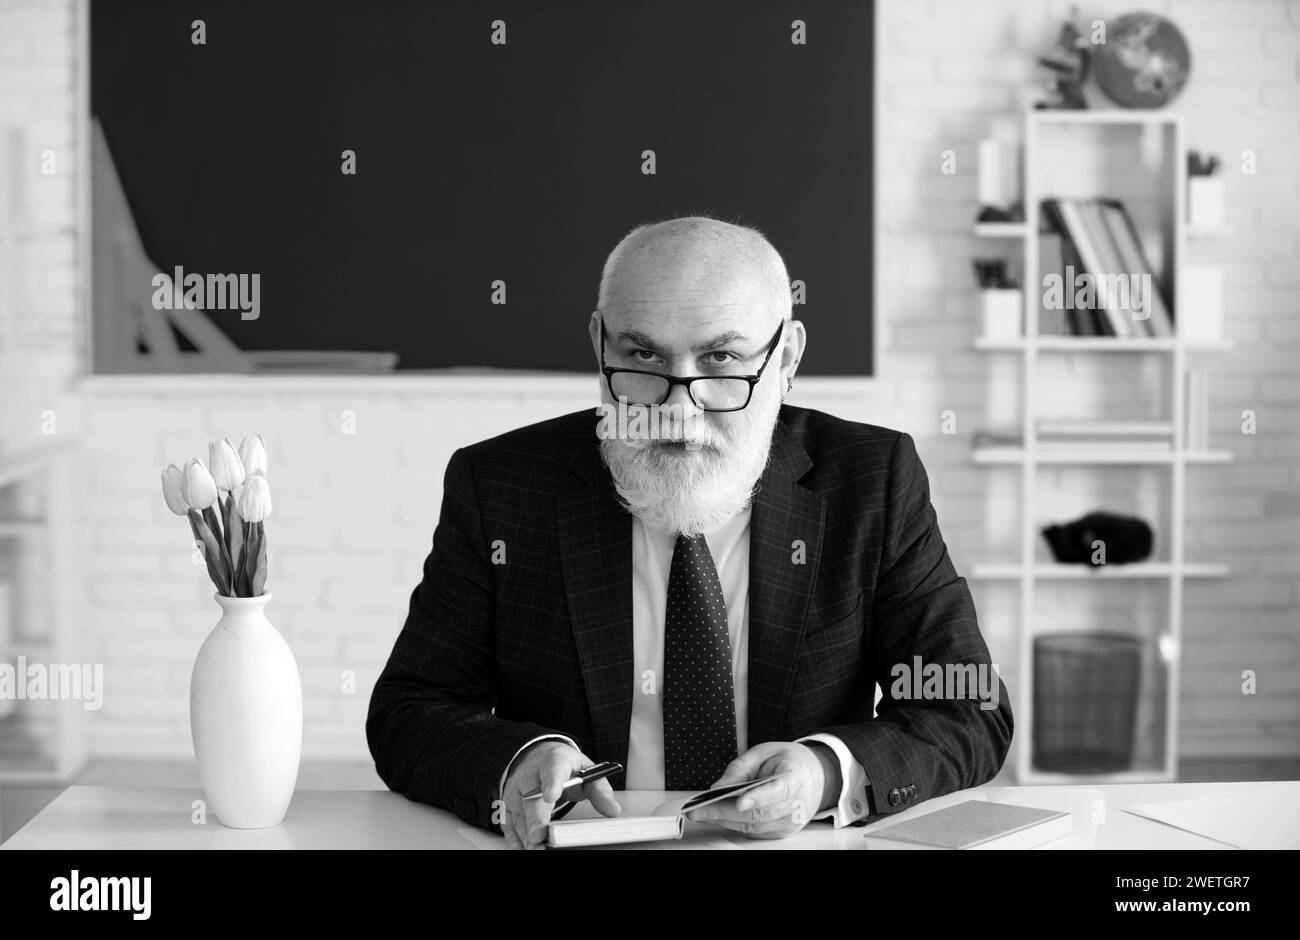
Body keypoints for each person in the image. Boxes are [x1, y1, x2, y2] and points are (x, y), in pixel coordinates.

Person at [367, 215, 1012, 850]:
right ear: (599, 345)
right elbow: (410, 708)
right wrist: (517, 762)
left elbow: (966, 704)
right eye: (643, 355)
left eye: (721, 358)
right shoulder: (500, 485)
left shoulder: (872, 481)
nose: (678, 410)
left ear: (786, 358)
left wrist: (821, 774)